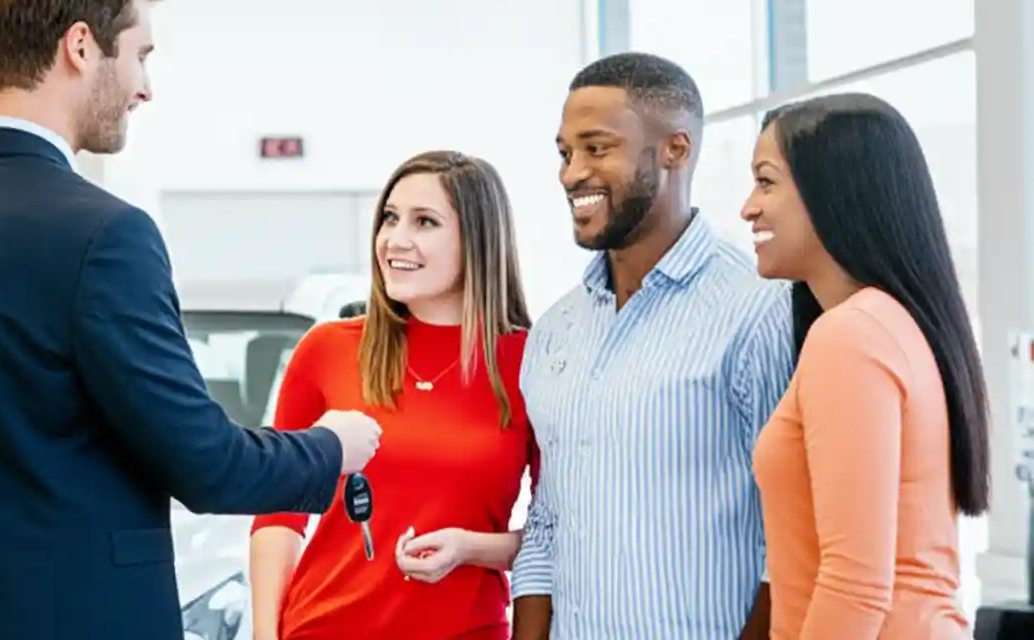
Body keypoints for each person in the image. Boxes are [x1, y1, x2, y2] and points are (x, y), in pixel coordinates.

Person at [0, 0, 381, 640]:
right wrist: (331, 447)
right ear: (80, 45)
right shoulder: (105, 236)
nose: (146, 87)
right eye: (140, 55)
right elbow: (208, 465)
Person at [509, 52, 795, 639]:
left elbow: (790, 534)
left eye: (597, 148)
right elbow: (546, 523)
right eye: (565, 153)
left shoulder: (757, 310)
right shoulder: (557, 329)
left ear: (676, 150)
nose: (571, 174)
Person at [247, 151, 538, 640]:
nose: (395, 240)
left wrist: (471, 548)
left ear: (479, 242)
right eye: (390, 218)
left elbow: (561, 542)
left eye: (425, 222)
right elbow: (278, 514)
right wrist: (264, 636)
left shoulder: (534, 364)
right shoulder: (328, 350)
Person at [741, 92, 990, 639]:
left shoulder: (850, 336)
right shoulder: (887, 324)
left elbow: (854, 587)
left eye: (766, 182)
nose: (748, 207)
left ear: (832, 192)